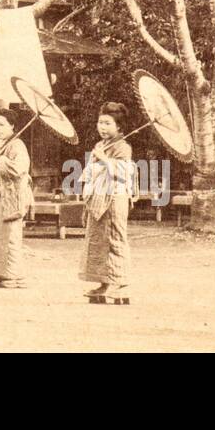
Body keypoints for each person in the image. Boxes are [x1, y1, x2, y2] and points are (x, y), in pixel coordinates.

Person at [80, 102, 136, 304]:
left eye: (107, 123)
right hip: (97, 197)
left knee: (114, 238)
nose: (102, 127)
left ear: (119, 127)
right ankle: (103, 283)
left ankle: (121, 284)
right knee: (98, 240)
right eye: (100, 122)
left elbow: (124, 173)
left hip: (114, 198)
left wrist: (104, 159)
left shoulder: (123, 147)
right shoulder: (100, 146)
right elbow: (90, 172)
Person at [0, 109, 33, 288]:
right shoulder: (1, 145)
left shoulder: (17, 145)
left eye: (2, 125)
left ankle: (14, 275)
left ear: (12, 125)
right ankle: (2, 273)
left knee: (11, 235)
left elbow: (20, 168)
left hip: (12, 197)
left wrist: (2, 161)